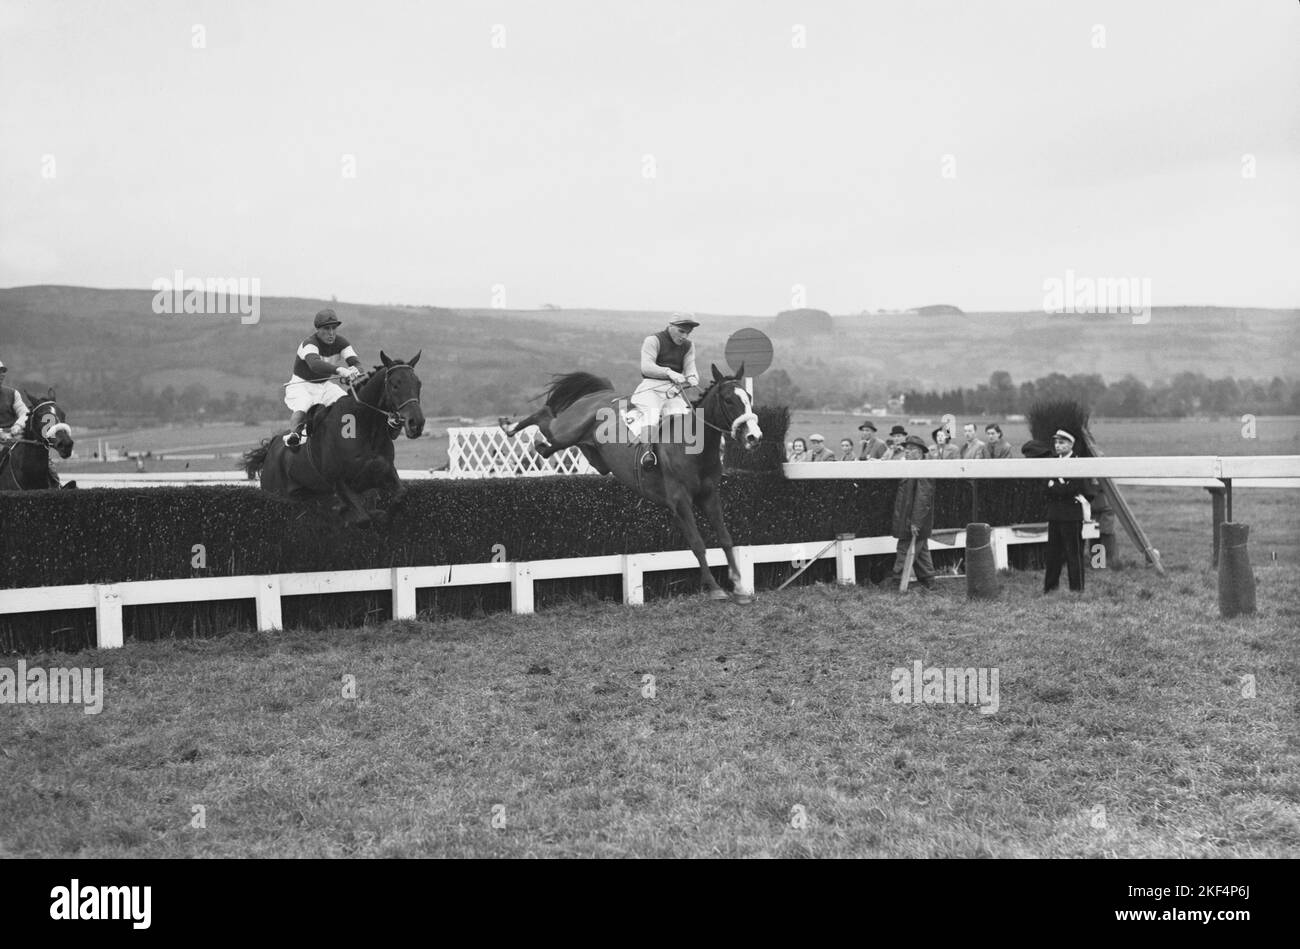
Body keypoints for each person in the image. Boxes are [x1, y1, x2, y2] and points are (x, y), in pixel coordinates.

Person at [626, 313, 702, 470]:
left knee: (685, 420)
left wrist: (693, 377)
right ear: (671, 326)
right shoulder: (653, 340)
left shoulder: (688, 346)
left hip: (672, 391)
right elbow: (646, 367)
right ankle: (647, 454)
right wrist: (669, 372)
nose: (685, 336)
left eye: (688, 332)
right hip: (650, 387)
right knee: (652, 414)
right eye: (681, 331)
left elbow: (690, 367)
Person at [283, 309, 365, 449]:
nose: (331, 332)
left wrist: (354, 370)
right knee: (304, 403)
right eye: (327, 328)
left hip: (324, 385)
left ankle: (350, 438)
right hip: (301, 385)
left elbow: (357, 364)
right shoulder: (309, 344)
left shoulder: (342, 343)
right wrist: (339, 370)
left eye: (334, 328)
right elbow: (315, 365)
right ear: (318, 329)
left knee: (347, 404)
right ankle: (294, 435)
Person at [1044, 429, 1093, 593]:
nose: (1058, 446)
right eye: (1056, 442)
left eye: (1062, 442)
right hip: (1055, 513)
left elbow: (1073, 488)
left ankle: (1077, 589)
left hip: (1071, 514)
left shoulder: (1078, 462)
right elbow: (1046, 487)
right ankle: (1050, 588)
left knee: (1074, 554)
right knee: (1052, 554)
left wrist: (1054, 486)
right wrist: (1058, 488)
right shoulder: (1051, 462)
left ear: (1071, 444)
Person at [889, 435, 937, 589]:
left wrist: (916, 522)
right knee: (921, 552)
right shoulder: (910, 468)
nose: (906, 452)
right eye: (906, 449)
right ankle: (930, 582)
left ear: (920, 452)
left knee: (904, 548)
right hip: (909, 520)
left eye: (910, 450)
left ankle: (897, 582)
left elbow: (923, 499)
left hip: (913, 521)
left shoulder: (922, 470)